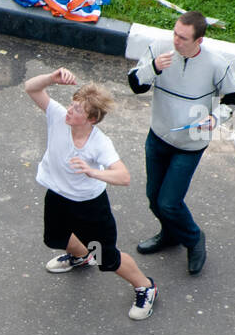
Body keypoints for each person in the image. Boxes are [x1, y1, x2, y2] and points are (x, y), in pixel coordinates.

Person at [24, 68, 157, 320]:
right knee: (56, 238)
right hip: (58, 197)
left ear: (91, 120)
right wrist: (52, 78)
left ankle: (146, 287)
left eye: (77, 110)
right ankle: (82, 257)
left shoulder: (100, 143)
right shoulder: (57, 116)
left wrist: (92, 172)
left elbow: (123, 176)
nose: (70, 111)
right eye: (72, 105)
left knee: (106, 257)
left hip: (88, 208)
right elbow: (32, 87)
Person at [127, 9, 235, 274]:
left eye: (182, 38)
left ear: (198, 41)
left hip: (190, 145)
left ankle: (193, 239)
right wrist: (154, 67)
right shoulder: (159, 50)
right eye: (175, 34)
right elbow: (136, 85)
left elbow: (234, 95)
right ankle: (169, 235)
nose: (175, 41)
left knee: (169, 201)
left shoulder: (216, 64)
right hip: (158, 136)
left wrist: (216, 118)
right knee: (154, 199)